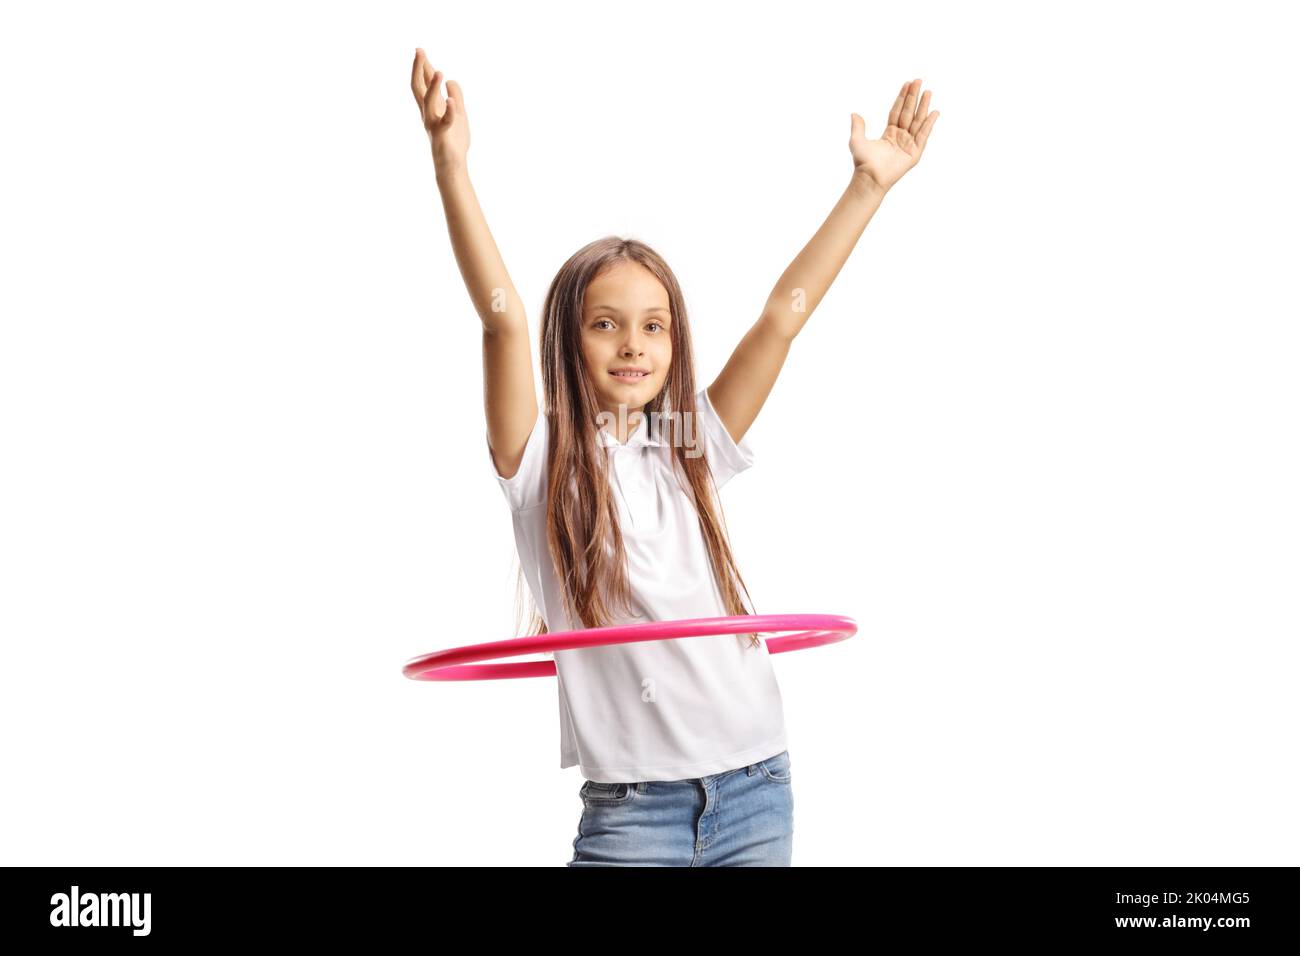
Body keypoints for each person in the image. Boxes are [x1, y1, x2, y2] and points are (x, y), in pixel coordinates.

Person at [410, 50, 938, 866]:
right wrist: (451, 164)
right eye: (605, 323)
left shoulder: (690, 445)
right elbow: (502, 321)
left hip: (756, 784)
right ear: (569, 340)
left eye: (654, 325)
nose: (634, 345)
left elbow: (779, 322)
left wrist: (867, 188)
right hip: (632, 813)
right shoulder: (539, 462)